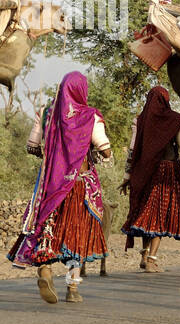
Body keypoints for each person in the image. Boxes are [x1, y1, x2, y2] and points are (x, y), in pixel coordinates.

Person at [8, 72, 111, 303]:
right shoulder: (90, 117)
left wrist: (54, 155)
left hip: (52, 184)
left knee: (48, 229)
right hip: (79, 184)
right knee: (76, 235)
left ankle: (45, 271)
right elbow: (104, 148)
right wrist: (101, 153)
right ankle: (72, 290)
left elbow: (32, 146)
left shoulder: (47, 114)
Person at [119, 86, 180, 272]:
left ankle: (145, 254)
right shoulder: (176, 120)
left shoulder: (139, 121)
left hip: (143, 171)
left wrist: (126, 177)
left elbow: (131, 152)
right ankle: (152, 260)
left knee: (147, 212)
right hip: (166, 172)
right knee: (158, 216)